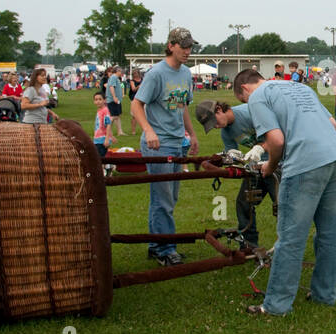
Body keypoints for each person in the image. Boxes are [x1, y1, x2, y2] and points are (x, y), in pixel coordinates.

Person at [232, 68, 336, 316]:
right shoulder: (301, 87)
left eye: (243, 101)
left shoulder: (257, 96)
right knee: (328, 235)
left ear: (244, 89)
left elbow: (276, 141)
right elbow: (333, 122)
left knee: (291, 238)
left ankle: (276, 306)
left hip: (305, 166)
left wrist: (270, 166)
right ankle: (324, 295)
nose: (246, 105)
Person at [132, 28, 199, 266]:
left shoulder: (186, 74)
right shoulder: (156, 74)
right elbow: (136, 105)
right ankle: (166, 248)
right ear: (171, 45)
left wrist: (191, 134)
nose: (188, 51)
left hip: (177, 143)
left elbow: (183, 107)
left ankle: (156, 244)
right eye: (183, 46)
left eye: (190, 47)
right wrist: (149, 131)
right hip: (158, 145)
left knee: (168, 197)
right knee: (163, 199)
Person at [196, 99, 279, 251]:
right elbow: (233, 154)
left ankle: (286, 245)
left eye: (214, 122)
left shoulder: (250, 112)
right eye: (211, 126)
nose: (215, 126)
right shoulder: (226, 133)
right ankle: (248, 246)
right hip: (256, 168)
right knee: (244, 204)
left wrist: (260, 149)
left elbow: (278, 135)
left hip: (278, 163)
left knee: (282, 206)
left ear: (219, 109)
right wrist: (232, 157)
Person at [92, 91, 114, 160]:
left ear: (104, 100)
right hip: (97, 139)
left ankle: (105, 169)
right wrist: (112, 136)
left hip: (102, 140)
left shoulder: (105, 111)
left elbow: (108, 124)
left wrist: (107, 139)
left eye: (100, 99)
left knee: (100, 158)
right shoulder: (99, 110)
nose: (98, 101)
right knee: (98, 156)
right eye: (96, 99)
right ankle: (107, 167)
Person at [105, 66, 125, 138]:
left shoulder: (116, 78)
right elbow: (111, 87)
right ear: (117, 71)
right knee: (113, 116)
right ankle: (107, 131)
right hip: (113, 100)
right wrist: (114, 97)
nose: (121, 72)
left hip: (117, 100)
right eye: (120, 71)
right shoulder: (113, 77)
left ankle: (120, 131)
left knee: (117, 116)